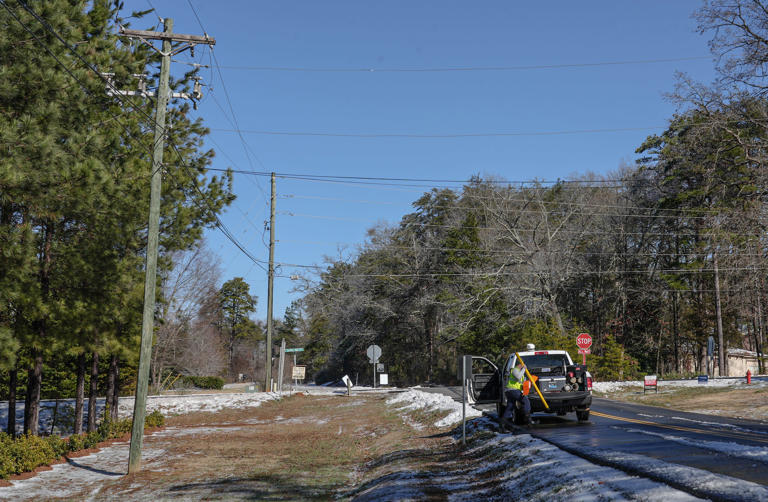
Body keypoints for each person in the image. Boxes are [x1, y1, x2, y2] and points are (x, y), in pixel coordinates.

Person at [502, 360, 531, 425]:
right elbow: (518, 377)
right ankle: (528, 420)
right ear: (518, 364)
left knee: (510, 406)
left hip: (511, 390)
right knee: (525, 401)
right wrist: (524, 369)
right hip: (512, 390)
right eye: (522, 364)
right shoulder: (515, 370)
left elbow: (520, 382)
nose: (523, 366)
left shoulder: (518, 371)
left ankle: (502, 425)